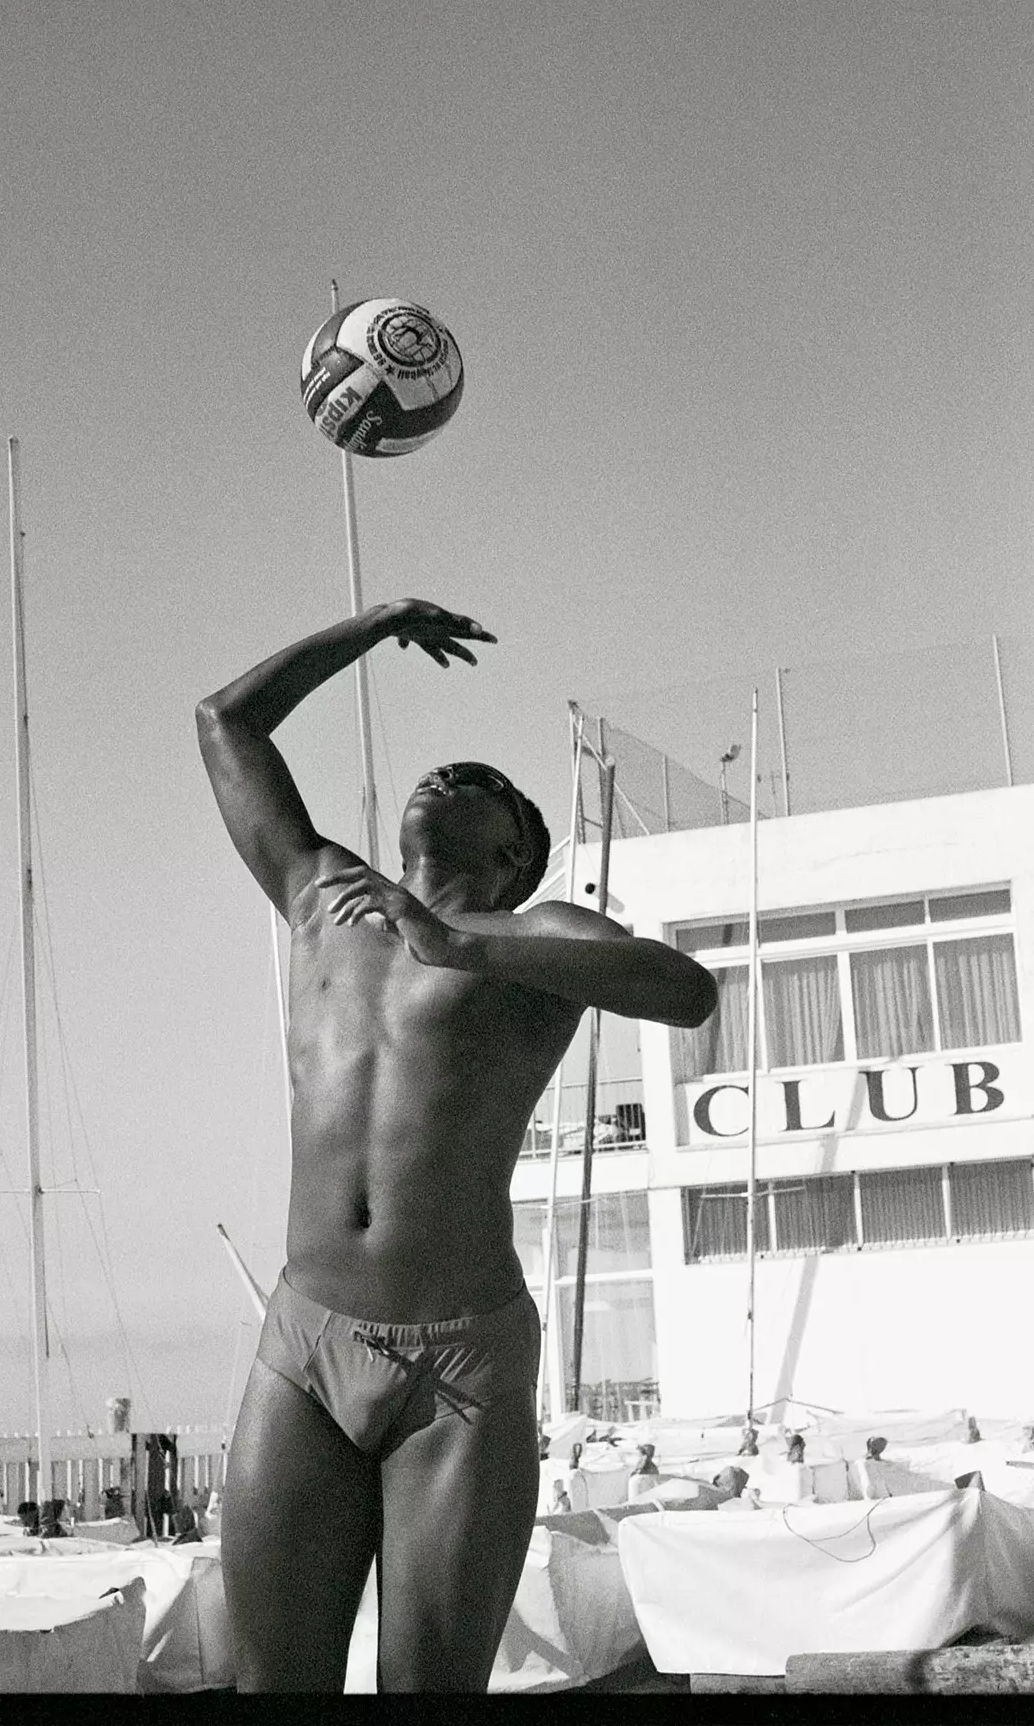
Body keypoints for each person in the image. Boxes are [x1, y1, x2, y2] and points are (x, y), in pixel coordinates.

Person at [197, 598, 716, 1693]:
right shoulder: (321, 895)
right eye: (439, 773)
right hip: (304, 1342)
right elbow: (226, 721)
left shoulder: (542, 938)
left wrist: (466, 946)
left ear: (515, 853)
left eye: (476, 782)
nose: (445, 779)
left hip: (459, 1369)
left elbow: (686, 992)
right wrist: (377, 624)